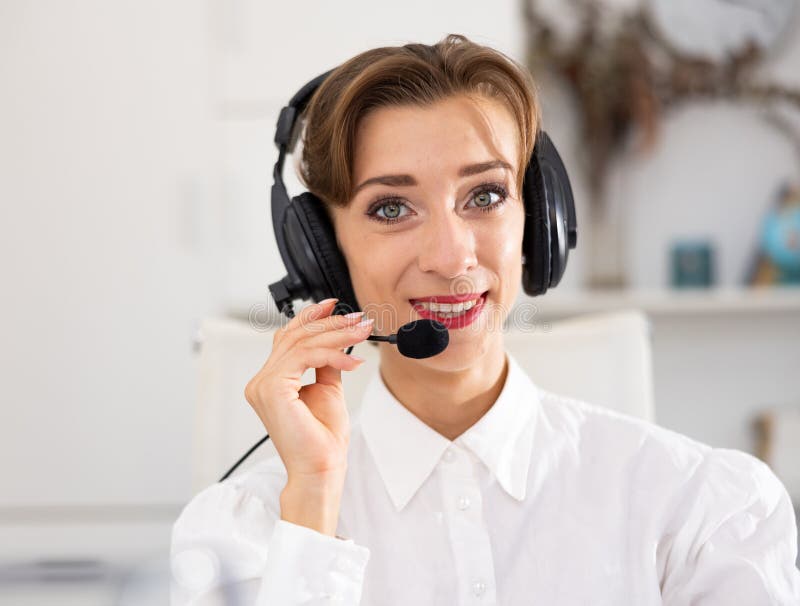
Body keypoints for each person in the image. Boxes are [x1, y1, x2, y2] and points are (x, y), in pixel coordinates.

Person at [170, 34, 800, 605]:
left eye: (486, 195)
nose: (451, 258)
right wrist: (310, 505)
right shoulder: (245, 534)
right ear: (324, 253)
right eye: (391, 208)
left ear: (538, 221)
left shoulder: (694, 511)